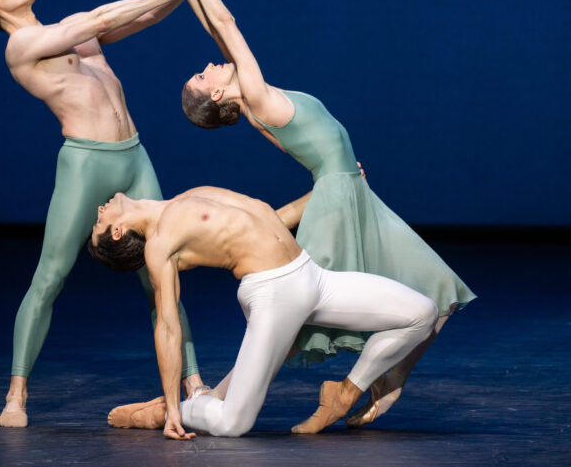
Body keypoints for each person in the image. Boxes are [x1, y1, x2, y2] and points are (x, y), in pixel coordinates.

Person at [145, 0, 475, 429]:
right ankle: (208, 403)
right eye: (202, 75)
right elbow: (228, 24)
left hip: (354, 192)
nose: (210, 64)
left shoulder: (255, 97)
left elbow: (217, 32)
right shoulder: (255, 99)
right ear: (216, 97)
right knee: (288, 328)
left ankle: (371, 386)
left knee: (437, 293)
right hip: (337, 204)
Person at [0, 0, 208, 427]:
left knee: (162, 273)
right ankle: (16, 395)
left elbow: (142, 16)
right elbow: (98, 18)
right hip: (86, 163)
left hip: (134, 159)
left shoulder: (68, 30)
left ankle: (193, 382)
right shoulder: (22, 46)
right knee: (50, 276)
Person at [88, 187, 439, 439]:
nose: (99, 212)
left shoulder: (183, 199)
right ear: (118, 233)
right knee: (232, 424)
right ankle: (171, 410)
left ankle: (345, 392)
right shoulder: (160, 243)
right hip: (275, 293)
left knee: (423, 313)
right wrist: (172, 404)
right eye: (97, 224)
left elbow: (271, 217)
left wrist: (325, 193)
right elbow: (167, 326)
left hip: (312, 277)